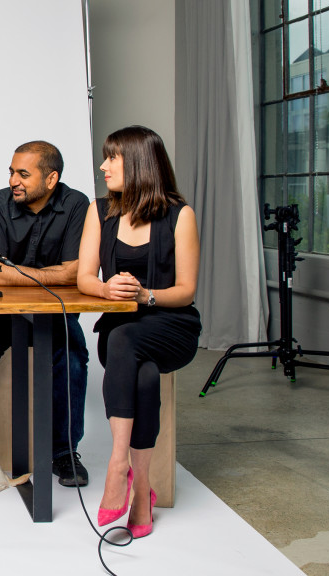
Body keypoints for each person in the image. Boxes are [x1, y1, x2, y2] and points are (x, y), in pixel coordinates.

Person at [77, 125, 201, 538]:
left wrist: (146, 296)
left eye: (111, 158)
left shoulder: (180, 216)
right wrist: (105, 287)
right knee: (142, 373)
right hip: (120, 333)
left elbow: (185, 292)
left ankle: (117, 466)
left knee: (123, 339)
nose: (103, 166)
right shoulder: (100, 211)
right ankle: (142, 487)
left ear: (140, 163)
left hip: (171, 326)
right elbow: (83, 278)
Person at [0, 141, 91, 486]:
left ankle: (64, 452)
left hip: (55, 315)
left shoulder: (76, 204)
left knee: (73, 359)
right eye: (12, 172)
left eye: (23, 174)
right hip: (1, 314)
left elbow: (78, 272)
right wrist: (54, 274)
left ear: (51, 179)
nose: (14, 180)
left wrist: (24, 274)